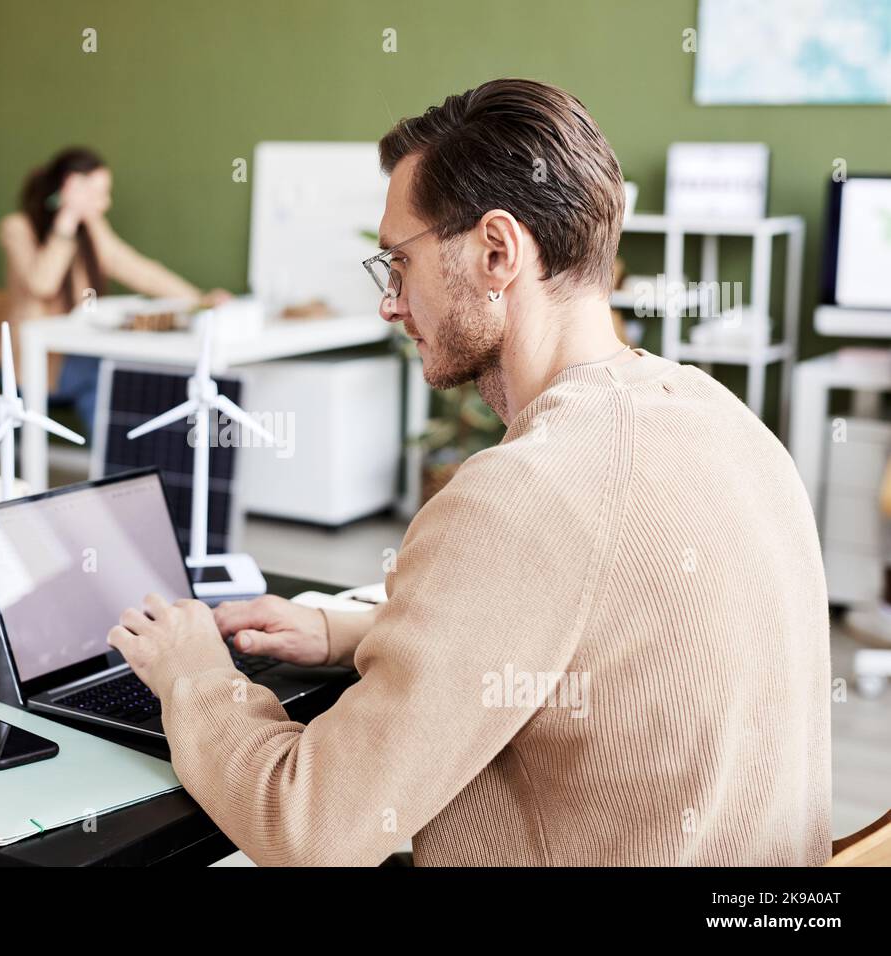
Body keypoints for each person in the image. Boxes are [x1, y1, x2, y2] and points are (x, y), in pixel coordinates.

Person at [106, 79, 831, 866]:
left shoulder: (523, 494)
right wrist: (346, 632)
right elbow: (598, 639)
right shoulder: (723, 416)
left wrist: (194, 679)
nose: (390, 302)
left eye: (399, 262)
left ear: (496, 251)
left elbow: (310, 828)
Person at [0, 147, 228, 431]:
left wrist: (199, 299)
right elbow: (42, 284)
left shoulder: (93, 228)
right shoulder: (17, 228)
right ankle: (125, 463)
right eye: (97, 194)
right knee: (111, 376)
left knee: (121, 377)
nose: (105, 203)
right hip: (33, 366)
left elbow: (137, 269)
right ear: (70, 187)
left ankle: (123, 465)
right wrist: (67, 218)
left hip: (77, 355)